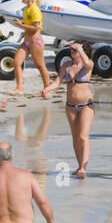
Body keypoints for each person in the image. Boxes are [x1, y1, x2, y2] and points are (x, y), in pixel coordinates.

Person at [42, 40, 96, 179]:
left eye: (75, 50)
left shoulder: (87, 64)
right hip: (70, 106)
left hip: (86, 106)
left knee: (83, 136)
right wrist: (47, 89)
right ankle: (79, 166)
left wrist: (80, 49)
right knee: (75, 138)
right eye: (71, 49)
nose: (72, 51)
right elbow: (57, 82)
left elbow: (89, 63)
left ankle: (83, 168)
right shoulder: (66, 65)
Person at [12, 0, 51, 97]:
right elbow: (28, 25)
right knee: (16, 62)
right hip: (27, 41)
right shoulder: (26, 9)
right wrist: (22, 23)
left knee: (40, 65)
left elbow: (36, 28)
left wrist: (21, 25)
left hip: (35, 41)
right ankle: (19, 88)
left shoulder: (34, 9)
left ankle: (47, 89)